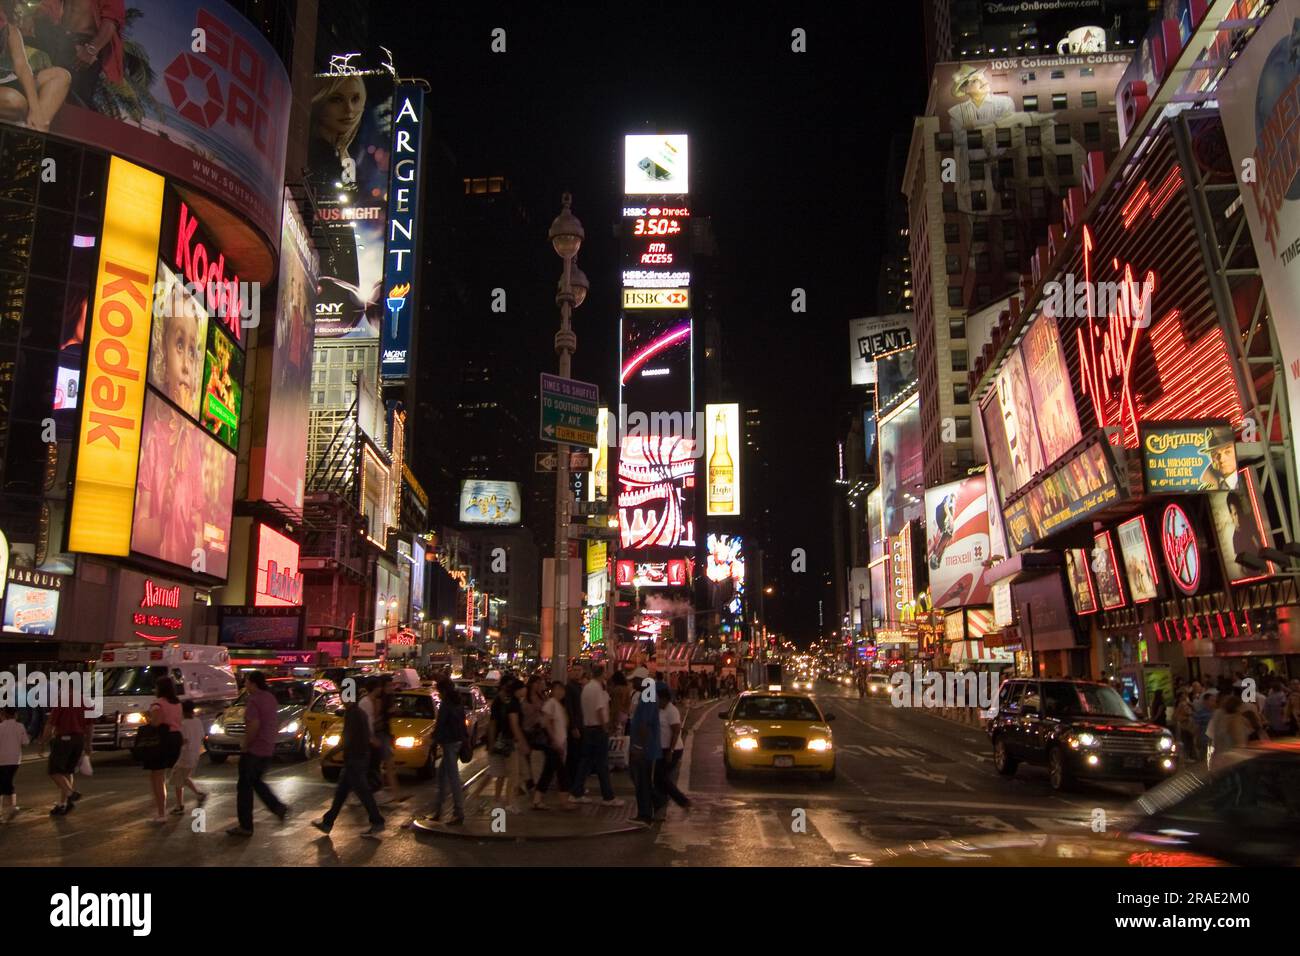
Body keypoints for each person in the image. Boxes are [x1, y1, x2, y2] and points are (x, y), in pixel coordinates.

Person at [313, 679, 385, 839]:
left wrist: (329, 755)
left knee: (363, 792)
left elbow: (346, 740)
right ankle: (327, 822)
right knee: (341, 792)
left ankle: (377, 821)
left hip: (355, 759)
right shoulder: (358, 712)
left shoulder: (353, 714)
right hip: (357, 757)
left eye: (342, 696)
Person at [31, 0, 124, 110]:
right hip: (59, 38)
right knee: (47, 86)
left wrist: (91, 49)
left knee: (75, 96)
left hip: (84, 45)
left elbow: (111, 20)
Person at [227, 671, 288, 837]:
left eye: (246, 681)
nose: (245, 684)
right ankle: (277, 806)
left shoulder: (254, 700)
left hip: (255, 749)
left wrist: (245, 745)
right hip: (268, 747)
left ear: (253, 683)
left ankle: (245, 826)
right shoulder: (270, 698)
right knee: (256, 781)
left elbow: (253, 724)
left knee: (244, 787)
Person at [0, 1, 70, 132]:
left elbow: (22, 67)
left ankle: (35, 133)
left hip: (7, 79)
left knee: (61, 76)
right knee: (15, 101)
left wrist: (36, 109)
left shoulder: (9, 26)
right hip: (7, 94)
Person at [568, 665, 623, 808]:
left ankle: (576, 793)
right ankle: (608, 796)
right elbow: (599, 709)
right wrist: (605, 727)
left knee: (586, 762)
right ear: (602, 674)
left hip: (588, 728)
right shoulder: (597, 688)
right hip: (598, 729)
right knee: (602, 764)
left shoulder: (586, 687)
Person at [142, 675, 183, 824]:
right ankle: (172, 807)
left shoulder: (158, 704)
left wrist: (148, 718)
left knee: (157, 776)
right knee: (168, 773)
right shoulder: (177, 703)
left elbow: (156, 723)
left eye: (156, 687)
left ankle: (161, 813)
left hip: (162, 740)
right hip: (176, 738)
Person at [430, 676, 467, 825]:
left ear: (443, 690)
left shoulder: (446, 704)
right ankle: (438, 810)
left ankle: (458, 812)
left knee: (452, 778)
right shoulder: (458, 702)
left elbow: (441, 724)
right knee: (442, 776)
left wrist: (434, 739)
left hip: (449, 742)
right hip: (457, 741)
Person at [41, 701, 87, 816]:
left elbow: (50, 724)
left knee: (54, 771)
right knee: (67, 771)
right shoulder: (85, 702)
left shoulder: (62, 702)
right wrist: (89, 743)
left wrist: (43, 742)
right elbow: (90, 724)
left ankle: (70, 794)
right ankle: (63, 804)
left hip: (63, 739)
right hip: (79, 739)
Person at [627, 676, 662, 824]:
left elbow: (644, 724)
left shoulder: (648, 696)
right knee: (642, 779)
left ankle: (645, 813)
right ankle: (655, 802)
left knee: (642, 781)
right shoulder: (646, 695)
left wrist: (639, 746)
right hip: (645, 746)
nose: (633, 683)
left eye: (636, 681)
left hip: (645, 748)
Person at [654, 684, 689, 816]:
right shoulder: (659, 710)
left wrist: (671, 750)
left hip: (672, 749)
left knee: (661, 777)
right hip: (660, 749)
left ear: (663, 698)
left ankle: (681, 800)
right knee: (659, 778)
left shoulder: (671, 710)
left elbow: (676, 731)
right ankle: (661, 803)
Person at [534, 681, 569, 809]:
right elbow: (546, 723)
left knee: (548, 772)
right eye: (557, 689)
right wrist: (553, 739)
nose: (560, 692)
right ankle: (564, 801)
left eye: (562, 690)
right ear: (552, 690)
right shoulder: (551, 704)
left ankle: (537, 800)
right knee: (561, 772)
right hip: (553, 744)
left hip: (558, 743)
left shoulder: (558, 705)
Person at [170, 700, 208, 815]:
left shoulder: (184, 724)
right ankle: (198, 794)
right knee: (184, 778)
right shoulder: (197, 721)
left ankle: (179, 805)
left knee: (178, 780)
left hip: (185, 755)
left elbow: (184, 740)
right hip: (195, 754)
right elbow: (202, 736)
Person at [501, 678, 530, 812]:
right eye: (523, 687)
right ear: (518, 690)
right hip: (511, 742)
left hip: (514, 742)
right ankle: (509, 803)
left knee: (522, 772)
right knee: (513, 773)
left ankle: (514, 797)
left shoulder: (516, 703)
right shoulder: (513, 705)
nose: (525, 689)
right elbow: (514, 725)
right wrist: (522, 741)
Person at [1206, 692, 1249, 772]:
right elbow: (1240, 743)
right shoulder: (1235, 720)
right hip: (1233, 761)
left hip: (1220, 758)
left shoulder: (1221, 718)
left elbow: (1213, 737)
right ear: (1238, 707)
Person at [0, 705, 29, 822]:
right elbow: (26, 742)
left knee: (3, 783)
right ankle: (11, 808)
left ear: (3, 715)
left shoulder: (0, 727)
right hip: (15, 760)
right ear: (16, 715)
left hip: (1, 760)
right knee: (8, 782)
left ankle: (8, 809)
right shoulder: (20, 726)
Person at [1173, 690, 1198, 763]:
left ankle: (1190, 756)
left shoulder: (1186, 703)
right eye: (1184, 695)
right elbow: (1177, 715)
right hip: (1185, 726)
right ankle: (1188, 757)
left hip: (1189, 725)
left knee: (1189, 741)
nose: (1185, 696)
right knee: (1187, 741)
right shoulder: (1182, 704)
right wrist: (1186, 716)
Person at [608, 670, 631, 738]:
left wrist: (612, 720)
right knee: (621, 735)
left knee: (615, 736)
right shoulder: (626, 689)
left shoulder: (617, 690)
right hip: (625, 714)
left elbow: (616, 705)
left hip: (618, 714)